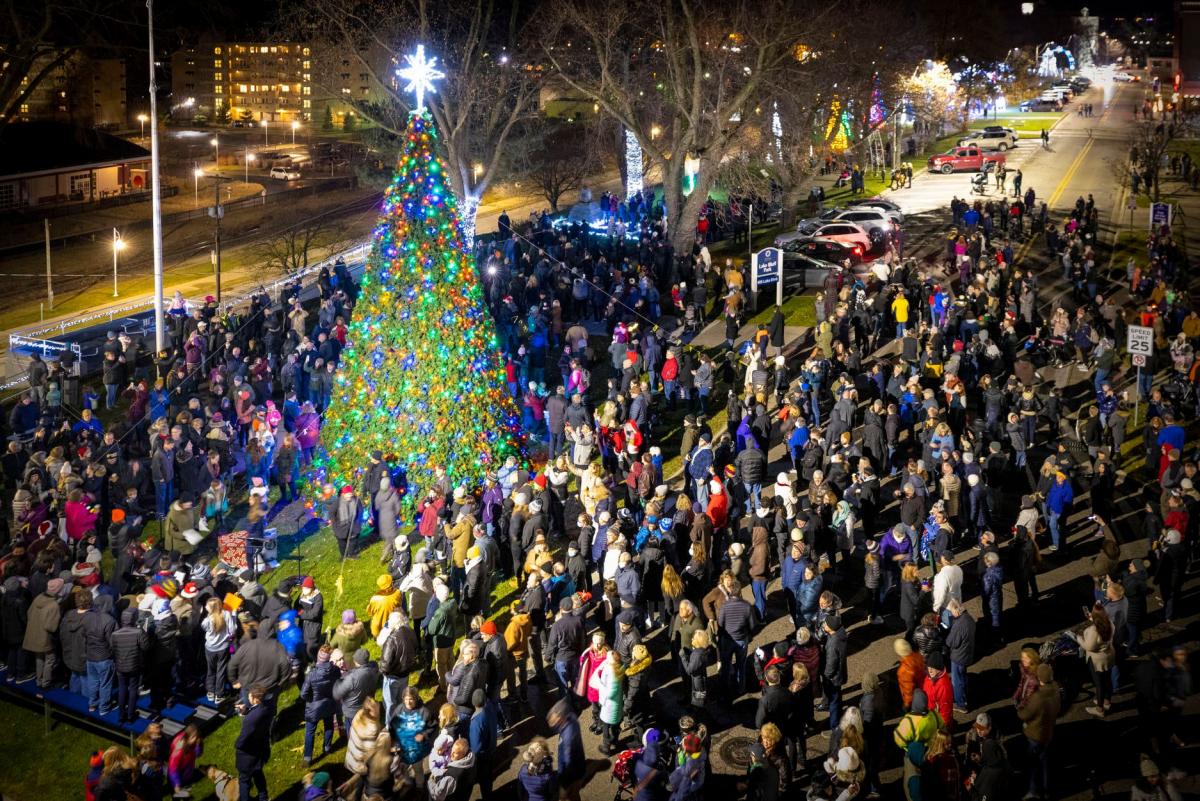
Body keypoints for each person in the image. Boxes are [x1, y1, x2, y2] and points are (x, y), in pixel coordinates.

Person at [1016, 664, 1060, 800]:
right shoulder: (1056, 689)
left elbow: (1025, 714)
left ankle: (1033, 790)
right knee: (1045, 762)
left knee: (1033, 763)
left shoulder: (1038, 697)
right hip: (1048, 731)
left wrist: (1020, 709)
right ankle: (1047, 791)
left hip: (1035, 734)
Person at [300, 645, 339, 764]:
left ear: (318, 658)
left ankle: (308, 757)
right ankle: (327, 748)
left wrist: (310, 700)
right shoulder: (335, 670)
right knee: (329, 726)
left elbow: (303, 694)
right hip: (329, 703)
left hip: (314, 707)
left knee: (310, 731)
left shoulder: (312, 674)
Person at [234, 685, 272, 801]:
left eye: (250, 695)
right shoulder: (265, 708)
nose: (248, 697)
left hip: (248, 754)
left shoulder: (251, 719)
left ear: (255, 698)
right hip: (260, 750)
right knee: (258, 774)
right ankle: (263, 797)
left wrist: (237, 745)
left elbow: (245, 737)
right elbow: (256, 715)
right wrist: (246, 711)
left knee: (244, 781)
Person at [548, 699, 586, 801]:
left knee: (565, 796)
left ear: (561, 717)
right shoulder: (571, 718)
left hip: (570, 774)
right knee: (574, 794)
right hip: (578, 768)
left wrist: (564, 781)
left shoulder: (568, 737)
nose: (552, 722)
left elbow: (568, 761)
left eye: (554, 719)